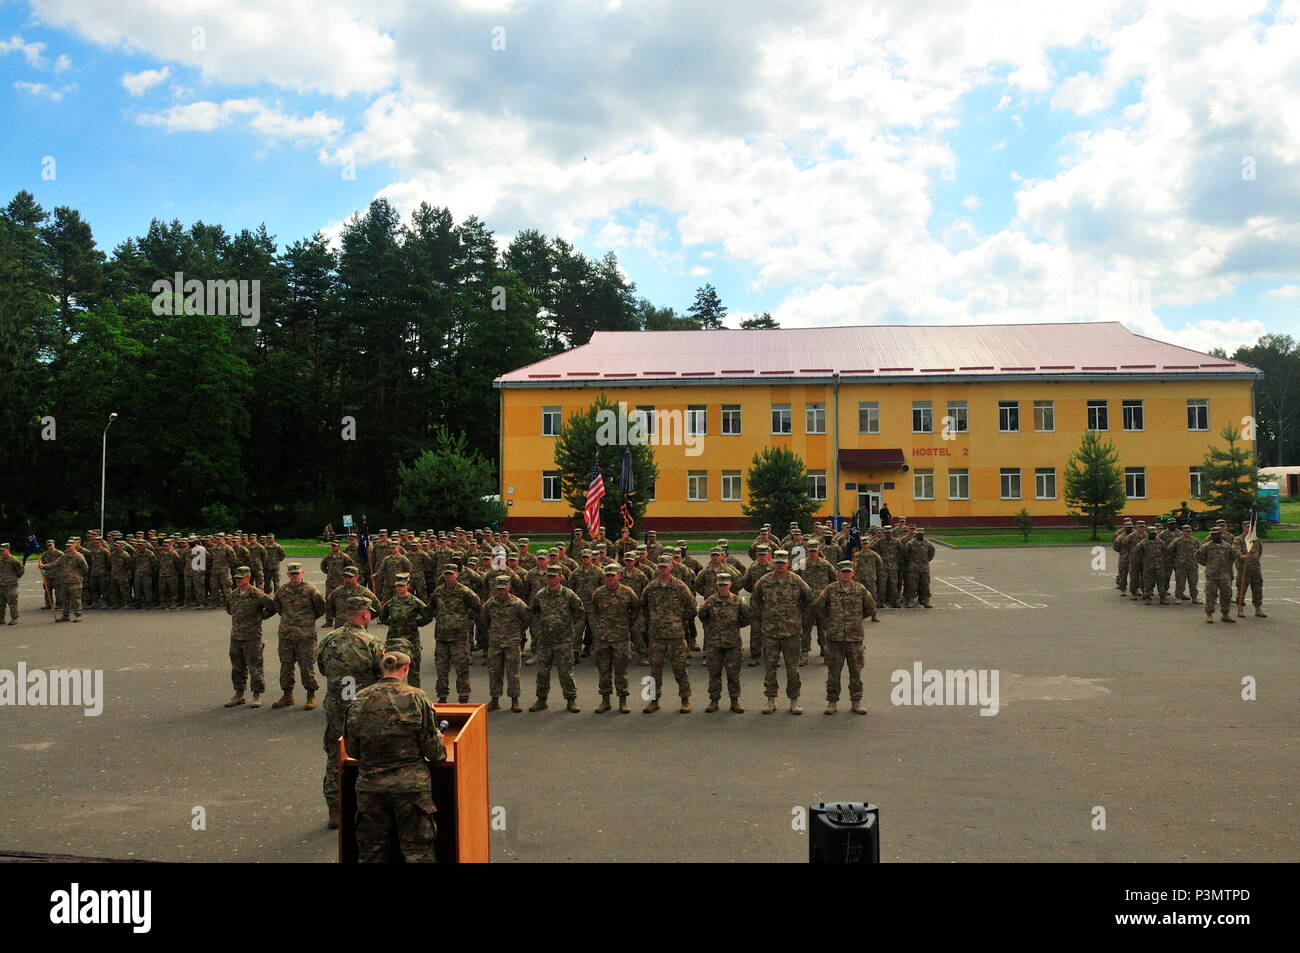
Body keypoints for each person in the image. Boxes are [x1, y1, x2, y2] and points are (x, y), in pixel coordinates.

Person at [343, 651, 446, 863]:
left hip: (370, 786)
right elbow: (433, 752)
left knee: (372, 852)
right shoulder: (417, 697)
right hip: (411, 787)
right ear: (406, 668)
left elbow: (352, 750)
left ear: (382, 668)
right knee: (418, 852)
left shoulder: (359, 699)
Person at [317, 594, 385, 829]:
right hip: (364, 709)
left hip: (337, 708)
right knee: (368, 756)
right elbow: (382, 674)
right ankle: (367, 807)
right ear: (365, 614)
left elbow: (323, 669)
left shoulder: (328, 640)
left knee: (336, 755)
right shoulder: (372, 642)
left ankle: (334, 808)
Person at [750, 550, 813, 714]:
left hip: (791, 633)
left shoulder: (796, 580)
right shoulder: (764, 581)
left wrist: (799, 617)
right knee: (770, 668)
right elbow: (755, 601)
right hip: (770, 633)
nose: (780, 565)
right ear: (774, 563)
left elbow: (808, 598)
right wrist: (762, 618)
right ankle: (770, 700)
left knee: (792, 669)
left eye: (783, 562)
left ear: (787, 563)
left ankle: (794, 701)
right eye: (777, 562)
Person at [815, 561, 876, 715]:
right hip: (835, 639)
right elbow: (818, 607)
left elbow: (871, 608)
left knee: (856, 672)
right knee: (833, 673)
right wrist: (829, 622)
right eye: (843, 572)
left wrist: (856, 619)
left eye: (848, 572)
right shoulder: (831, 589)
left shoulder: (860, 590)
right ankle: (832, 702)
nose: (846, 574)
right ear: (838, 573)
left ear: (853, 573)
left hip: (855, 639)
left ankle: (856, 701)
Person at [641, 555, 696, 713]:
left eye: (666, 566)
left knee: (680, 669)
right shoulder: (651, 587)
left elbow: (691, 606)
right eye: (661, 566)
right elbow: (643, 606)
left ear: (671, 567)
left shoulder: (679, 586)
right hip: (656, 636)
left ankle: (685, 700)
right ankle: (653, 700)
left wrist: (678, 618)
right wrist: (653, 620)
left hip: (676, 636)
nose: (663, 569)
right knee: (654, 670)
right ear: (657, 567)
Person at [528, 567, 585, 712]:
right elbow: (534, 611)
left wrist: (566, 625)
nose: (551, 579)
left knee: (566, 672)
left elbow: (579, 611)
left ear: (560, 577)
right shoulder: (540, 595)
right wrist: (544, 623)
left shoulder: (568, 594)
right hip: (545, 640)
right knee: (542, 672)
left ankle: (571, 700)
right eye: (549, 577)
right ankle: (541, 699)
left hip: (563, 640)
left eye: (554, 576)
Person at [271, 562, 326, 708]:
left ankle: (311, 695)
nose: (294, 576)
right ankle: (287, 695)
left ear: (302, 573)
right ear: (288, 575)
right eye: (292, 574)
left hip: (305, 636)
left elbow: (320, 608)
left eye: (297, 573)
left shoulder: (311, 591)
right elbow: (278, 607)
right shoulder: (282, 590)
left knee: (306, 666)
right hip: (286, 635)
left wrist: (306, 621)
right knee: (286, 666)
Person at [586, 563, 640, 713]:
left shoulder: (628, 592)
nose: (609, 578)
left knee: (621, 671)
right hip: (603, 638)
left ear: (618, 576)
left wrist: (627, 624)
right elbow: (595, 611)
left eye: (612, 575)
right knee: (604, 671)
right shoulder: (598, 593)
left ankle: (623, 700)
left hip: (621, 638)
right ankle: (605, 700)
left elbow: (635, 609)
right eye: (607, 575)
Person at [697, 573, 750, 713]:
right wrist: (713, 628)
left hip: (733, 643)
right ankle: (714, 701)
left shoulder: (738, 601)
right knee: (714, 673)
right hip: (714, 643)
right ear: (717, 585)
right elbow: (703, 616)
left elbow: (747, 617)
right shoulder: (710, 601)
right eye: (720, 585)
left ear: (730, 585)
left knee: (733, 674)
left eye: (725, 585)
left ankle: (735, 701)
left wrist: (735, 625)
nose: (723, 587)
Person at [224, 566, 276, 707]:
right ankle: (239, 694)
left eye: (241, 578)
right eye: (236, 578)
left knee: (255, 667)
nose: (238, 580)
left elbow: (272, 607)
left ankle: (256, 694)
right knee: (237, 667)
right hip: (236, 637)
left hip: (252, 637)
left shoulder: (257, 594)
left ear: (248, 578)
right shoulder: (232, 595)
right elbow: (229, 609)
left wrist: (260, 617)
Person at [430, 565, 481, 702]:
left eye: (451, 574)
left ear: (457, 574)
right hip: (441, 637)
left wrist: (465, 618)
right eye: (446, 574)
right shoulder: (438, 592)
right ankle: (442, 696)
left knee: (461, 668)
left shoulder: (464, 591)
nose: (448, 576)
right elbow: (431, 608)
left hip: (459, 637)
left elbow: (477, 605)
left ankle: (463, 696)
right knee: (441, 669)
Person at [479, 575, 530, 712]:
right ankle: (495, 699)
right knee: (494, 672)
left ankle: (515, 700)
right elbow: (484, 620)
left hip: (512, 642)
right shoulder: (490, 604)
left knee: (513, 673)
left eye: (503, 588)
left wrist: (518, 632)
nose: (501, 591)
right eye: (498, 589)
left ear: (509, 587)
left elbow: (526, 619)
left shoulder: (518, 603)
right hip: (495, 643)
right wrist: (493, 631)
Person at [380, 573, 434, 691]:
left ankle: (415, 695)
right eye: (398, 586)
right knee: (392, 669)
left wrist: (415, 624)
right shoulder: (391, 603)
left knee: (413, 670)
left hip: (411, 640)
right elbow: (382, 618)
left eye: (402, 586)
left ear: (408, 585)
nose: (399, 588)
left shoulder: (415, 602)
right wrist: (395, 624)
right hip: (394, 641)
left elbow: (428, 616)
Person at [1196, 527, 1237, 624]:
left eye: (1216, 534)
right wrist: (1207, 564)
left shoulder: (1227, 546)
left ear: (1220, 534)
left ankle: (1225, 614)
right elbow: (1198, 556)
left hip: (1224, 575)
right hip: (1211, 575)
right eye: (1212, 534)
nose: (1214, 536)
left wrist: (1226, 566)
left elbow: (1233, 557)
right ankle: (1209, 614)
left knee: (1226, 595)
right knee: (1210, 595)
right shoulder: (1206, 546)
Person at [1233, 521, 1266, 618]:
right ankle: (1240, 608)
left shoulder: (1255, 539)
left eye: (1250, 527)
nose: (1249, 529)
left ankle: (1258, 609)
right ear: (1243, 527)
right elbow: (1235, 550)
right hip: (1244, 568)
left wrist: (1255, 559)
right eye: (1247, 527)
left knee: (1257, 589)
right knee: (1242, 589)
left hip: (1255, 568)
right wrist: (1241, 556)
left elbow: (1260, 551)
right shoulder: (1238, 539)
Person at [1166, 525, 1200, 604]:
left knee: (1193, 582)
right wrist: (1176, 558)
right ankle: (1178, 597)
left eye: (1189, 531)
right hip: (1181, 565)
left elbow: (1200, 551)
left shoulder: (1195, 541)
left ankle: (1194, 597)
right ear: (1182, 532)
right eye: (1186, 531)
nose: (1188, 533)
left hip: (1192, 565)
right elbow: (1169, 549)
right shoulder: (1177, 541)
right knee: (1180, 582)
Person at [0, 542, 23, 625]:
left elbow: (21, 570)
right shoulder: (1, 560)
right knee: (1, 603)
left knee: (12, 602)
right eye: (0, 551)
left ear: (8, 550)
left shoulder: (14, 560)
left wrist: (14, 578)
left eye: (3, 550)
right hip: (1, 585)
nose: (1, 552)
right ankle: (1, 619)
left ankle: (14, 618)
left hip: (11, 585)